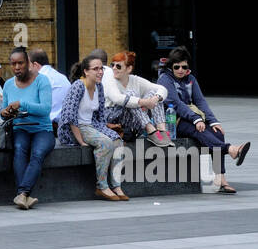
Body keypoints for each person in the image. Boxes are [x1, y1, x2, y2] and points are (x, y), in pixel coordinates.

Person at [157, 46, 249, 193]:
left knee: (217, 133)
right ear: (171, 66)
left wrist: (213, 122)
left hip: (190, 118)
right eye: (177, 67)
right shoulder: (165, 80)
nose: (181, 70)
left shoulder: (191, 79)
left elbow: (200, 102)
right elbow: (176, 104)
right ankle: (230, 149)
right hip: (173, 122)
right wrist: (196, 119)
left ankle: (220, 179)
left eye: (184, 67)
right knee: (198, 129)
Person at [57, 52, 128, 201]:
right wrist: (81, 141)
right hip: (75, 129)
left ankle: (116, 185)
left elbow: (100, 116)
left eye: (101, 68)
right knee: (105, 143)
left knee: (118, 142)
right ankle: (102, 186)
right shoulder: (78, 86)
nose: (100, 72)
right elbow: (69, 117)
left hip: (92, 125)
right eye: (95, 69)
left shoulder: (99, 87)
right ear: (86, 71)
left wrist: (107, 130)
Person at [0, 48, 54, 209]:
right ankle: (24, 196)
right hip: (20, 128)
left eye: (20, 63)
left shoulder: (42, 81)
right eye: (13, 64)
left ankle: (22, 193)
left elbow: (45, 109)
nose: (17, 67)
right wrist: (5, 112)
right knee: (19, 148)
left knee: (37, 153)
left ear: (28, 63)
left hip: (42, 129)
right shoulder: (9, 84)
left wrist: (22, 104)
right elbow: (3, 113)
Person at [103, 51, 172, 147]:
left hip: (132, 123)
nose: (114, 68)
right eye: (112, 65)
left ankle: (161, 130)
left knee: (155, 94)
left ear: (129, 68)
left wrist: (155, 99)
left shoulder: (135, 80)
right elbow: (118, 99)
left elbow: (162, 89)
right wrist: (144, 102)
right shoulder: (110, 81)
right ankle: (150, 130)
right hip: (113, 121)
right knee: (131, 95)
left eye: (118, 66)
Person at [29, 48, 70, 129]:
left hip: (50, 126)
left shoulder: (40, 78)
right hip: (66, 124)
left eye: (28, 65)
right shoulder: (62, 76)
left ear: (35, 65)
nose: (28, 69)